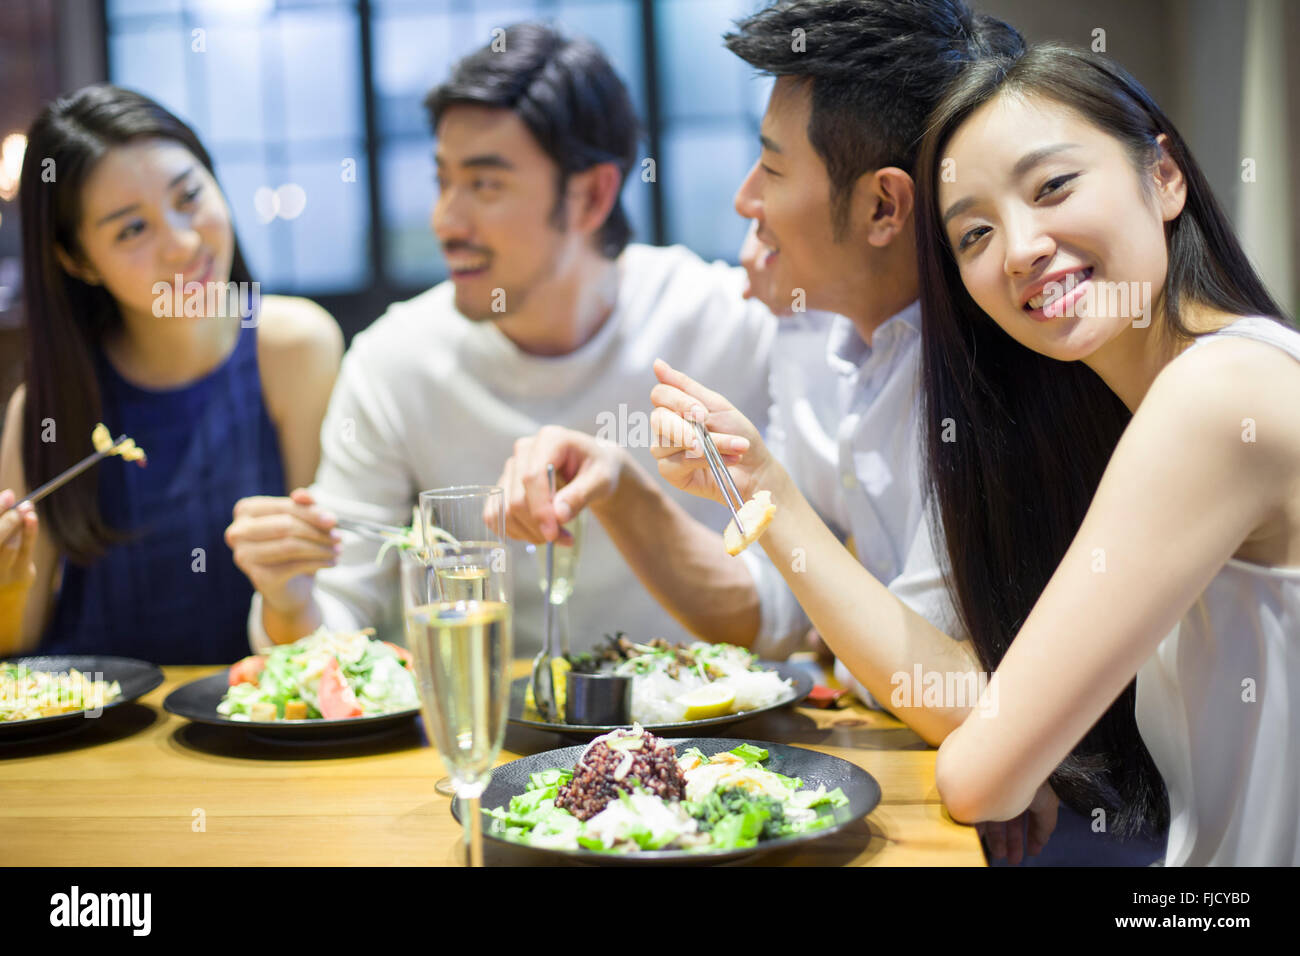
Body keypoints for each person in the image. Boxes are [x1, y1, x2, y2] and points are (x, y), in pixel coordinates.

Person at [492, 0, 1123, 865]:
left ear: (882, 208)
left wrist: (767, 495)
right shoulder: (811, 327)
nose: (746, 199)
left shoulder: (999, 362)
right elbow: (778, 609)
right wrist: (622, 485)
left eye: (771, 166)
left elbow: (961, 697)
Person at [653, 42, 1298, 866]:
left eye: (1053, 186)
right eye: (975, 233)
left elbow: (980, 774)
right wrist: (760, 487)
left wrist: (766, 494)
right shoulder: (1154, 397)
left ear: (1163, 176)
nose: (1022, 247)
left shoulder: (1217, 396)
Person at [224, 24, 777, 657]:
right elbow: (338, 614)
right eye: (442, 181)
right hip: (501, 739)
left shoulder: (729, 322)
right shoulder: (395, 361)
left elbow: (806, 576)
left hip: (719, 736)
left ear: (594, 194)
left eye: (485, 185)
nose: (445, 221)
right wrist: (288, 596)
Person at [0, 85, 341, 664]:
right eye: (132, 230)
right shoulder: (49, 404)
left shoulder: (295, 348)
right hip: (98, 738)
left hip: (256, 722)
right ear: (77, 259)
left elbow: (332, 595)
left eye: (189, 196)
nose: (183, 245)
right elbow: (17, 646)